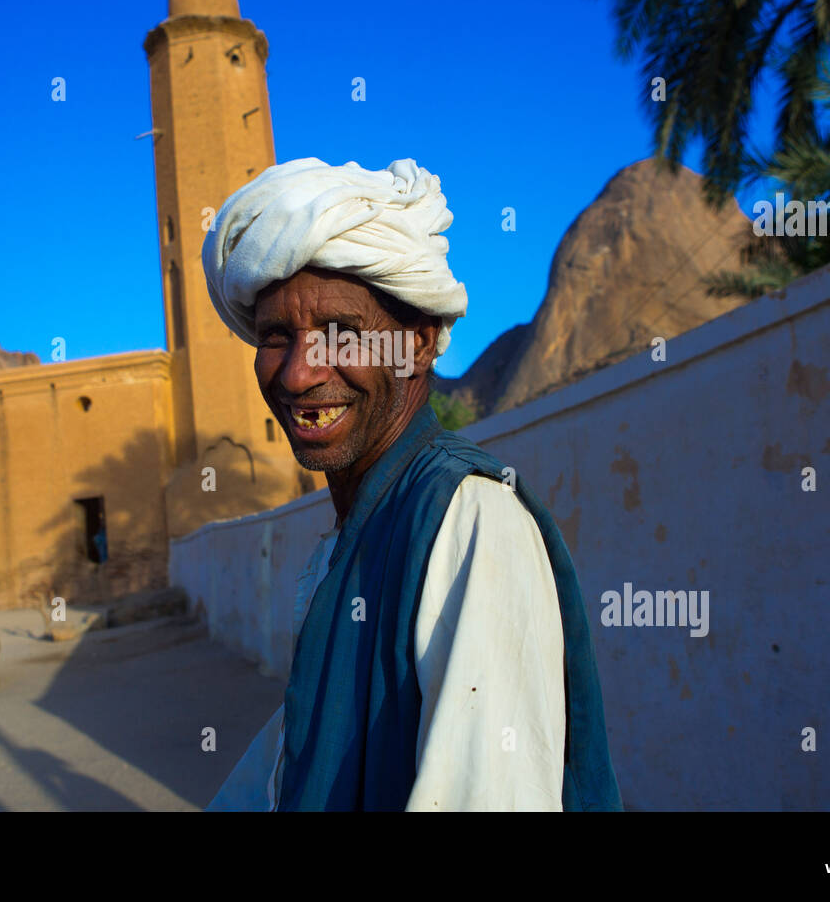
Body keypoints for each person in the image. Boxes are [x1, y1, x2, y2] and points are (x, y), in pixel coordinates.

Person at [202, 157, 621, 811]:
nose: (299, 373)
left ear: (420, 344)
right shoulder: (355, 534)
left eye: (342, 332)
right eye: (277, 336)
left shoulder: (472, 521)